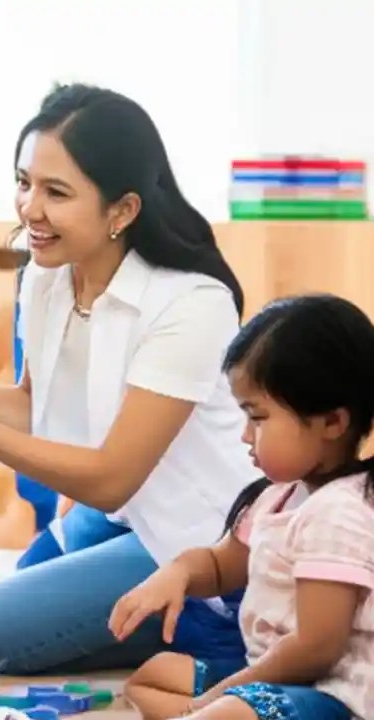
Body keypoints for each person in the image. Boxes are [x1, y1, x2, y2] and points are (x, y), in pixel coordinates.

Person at [0, 83, 259, 675]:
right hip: (125, 516)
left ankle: (226, 626)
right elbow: (44, 409)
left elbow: (111, 479)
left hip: (200, 531)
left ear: (122, 210)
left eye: (56, 193)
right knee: (31, 587)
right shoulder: (47, 278)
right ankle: (166, 615)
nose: (29, 209)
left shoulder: (190, 304)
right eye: (24, 183)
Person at [113, 294, 374, 720]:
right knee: (153, 676)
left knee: (226, 710)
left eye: (258, 417)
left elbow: (316, 648)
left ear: (332, 422)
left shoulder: (339, 513)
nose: (244, 435)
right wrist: (177, 573)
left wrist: (222, 694)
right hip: (281, 675)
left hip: (336, 695)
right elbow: (221, 566)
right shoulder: (277, 497)